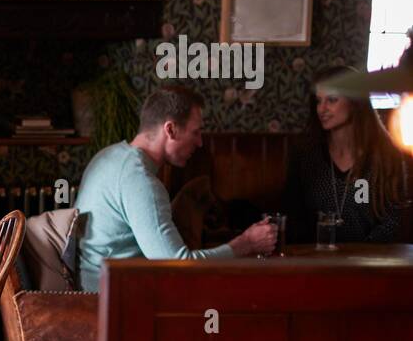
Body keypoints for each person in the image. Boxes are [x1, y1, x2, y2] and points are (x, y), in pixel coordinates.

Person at [76, 84, 277, 292]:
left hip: (97, 292)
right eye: (196, 132)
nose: (200, 143)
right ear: (170, 129)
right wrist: (246, 244)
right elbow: (177, 266)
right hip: (110, 302)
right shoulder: (140, 180)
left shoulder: (109, 156)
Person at [283, 74, 410, 244]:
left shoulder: (386, 156)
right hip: (317, 259)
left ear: (355, 103)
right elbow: (294, 216)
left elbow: (393, 219)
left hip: (372, 261)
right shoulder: (306, 156)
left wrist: (362, 255)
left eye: (332, 100)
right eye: (318, 101)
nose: (322, 109)